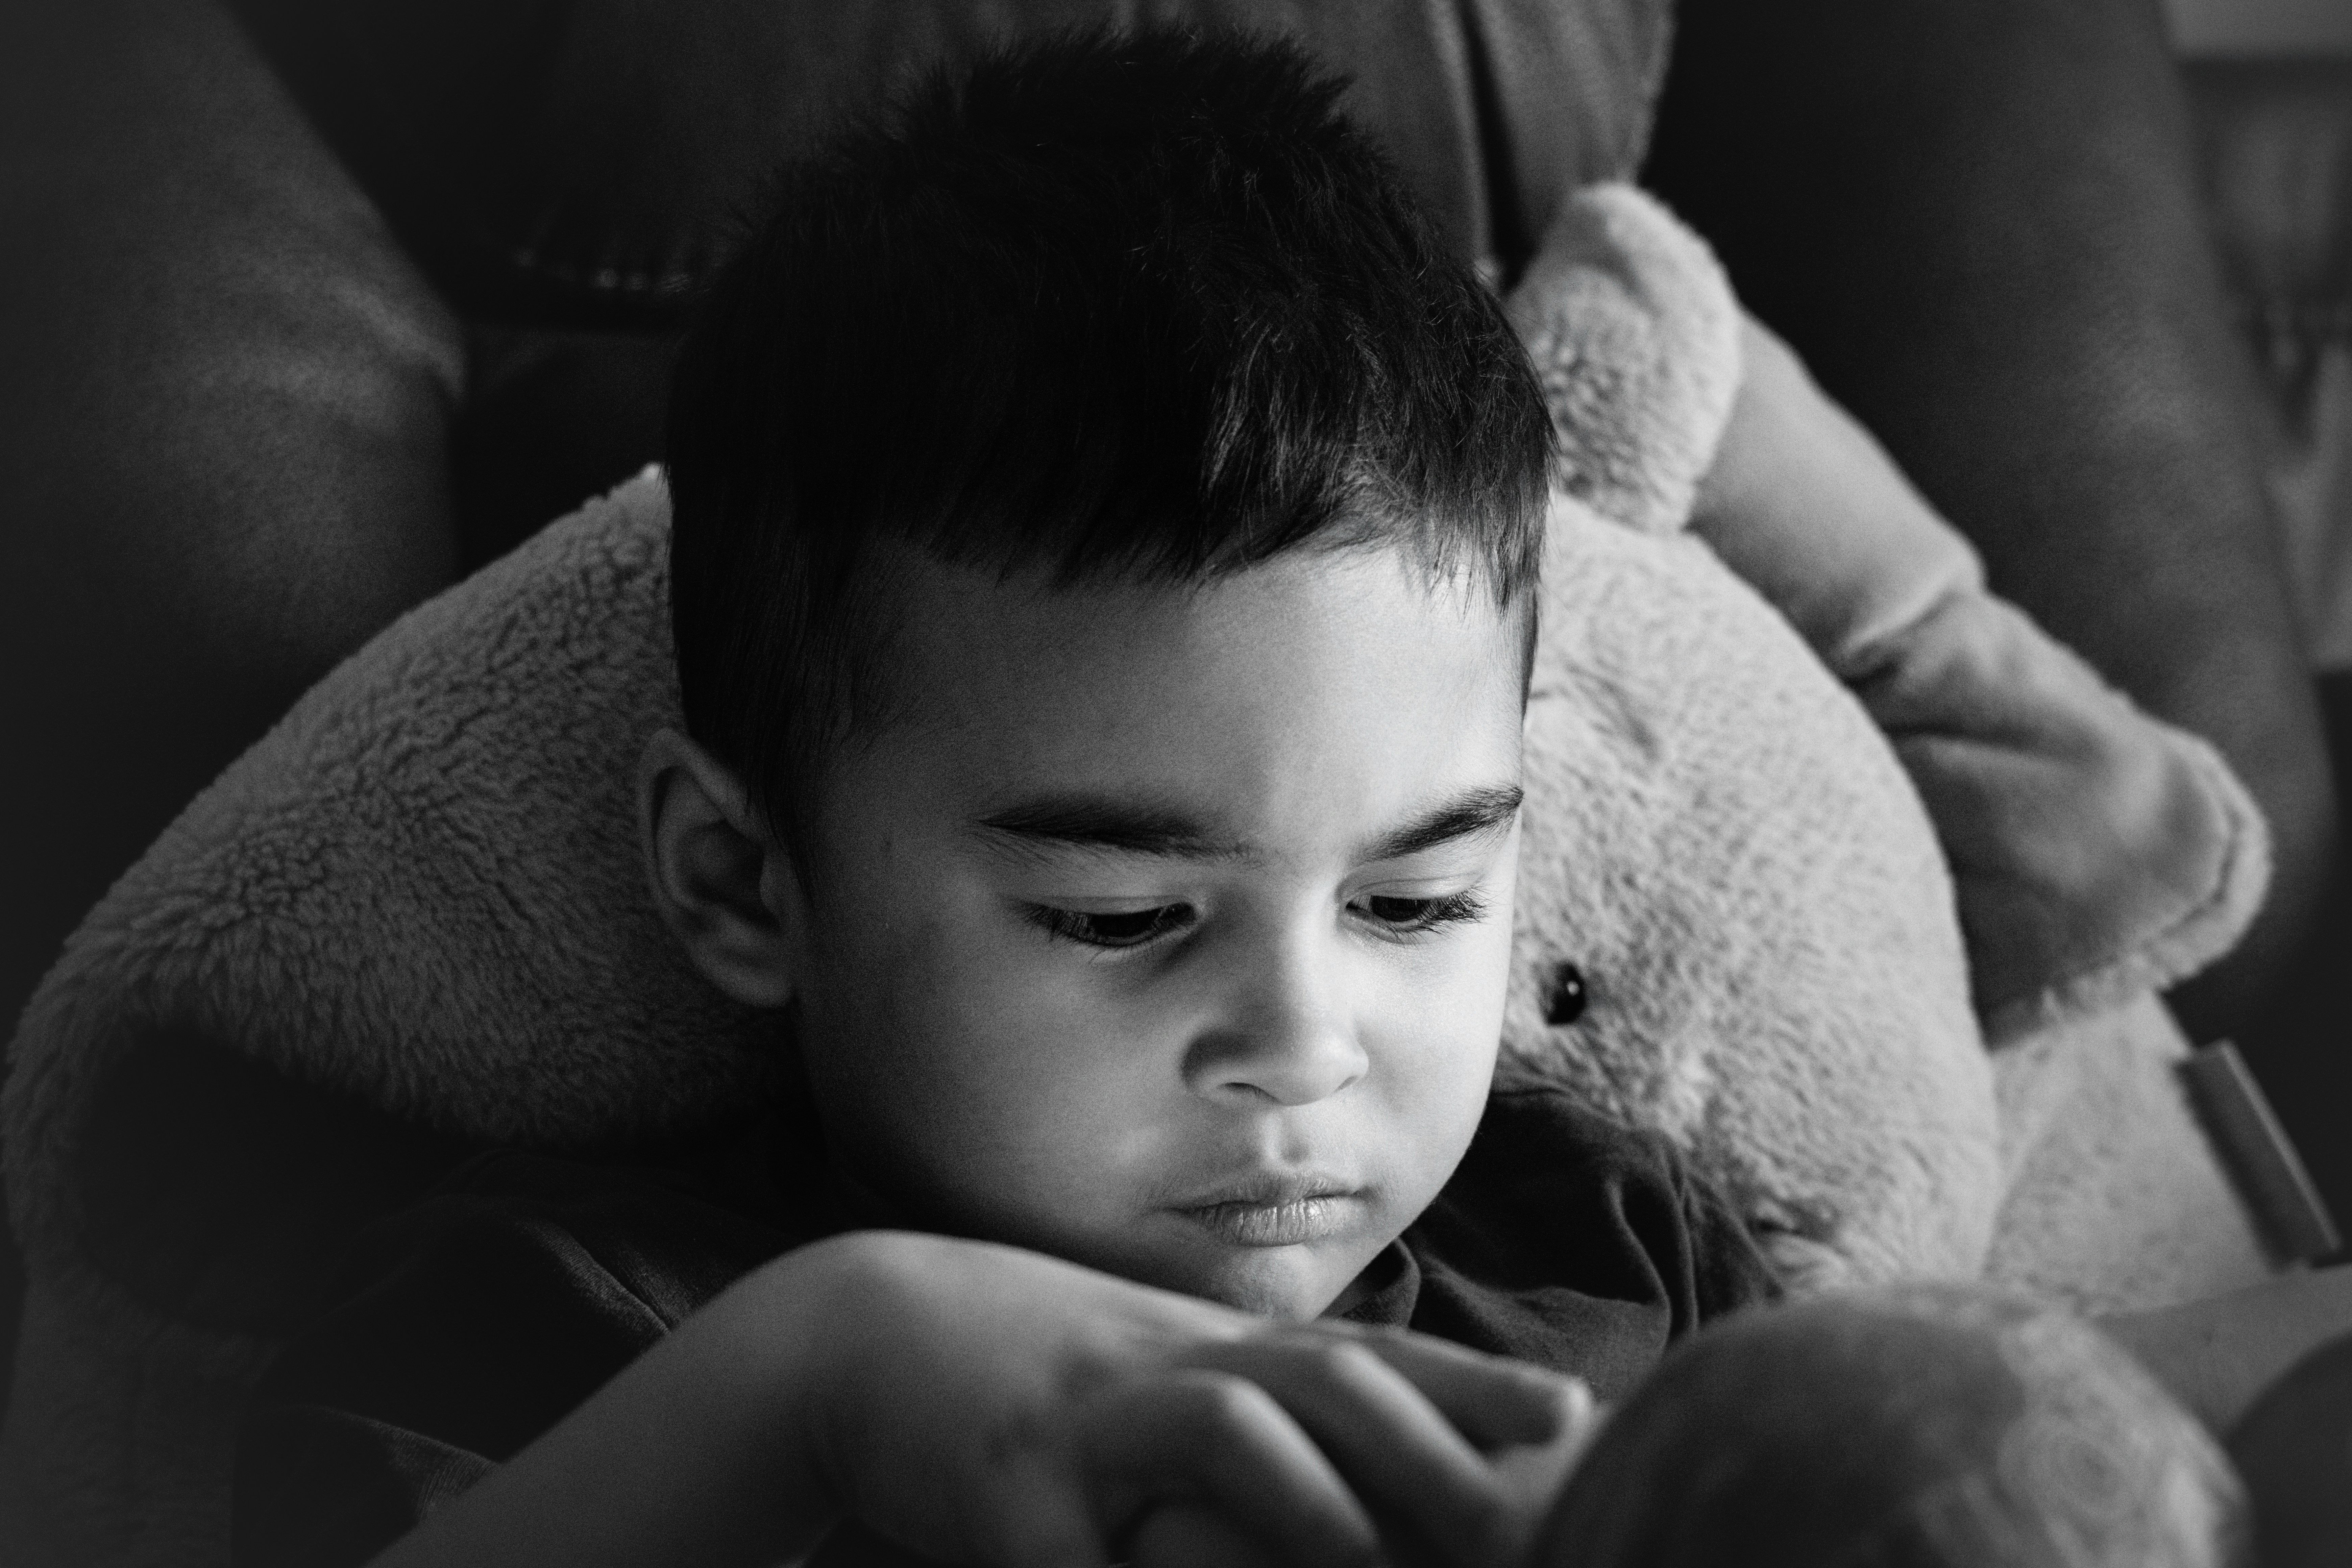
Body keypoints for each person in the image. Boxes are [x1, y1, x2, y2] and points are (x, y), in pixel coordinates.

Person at [227, 27, 1780, 1568]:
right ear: (738, 879)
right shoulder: (583, 1343)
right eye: (1124, 917)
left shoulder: (1607, 1256)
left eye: (1415, 900)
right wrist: (820, 1379)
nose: (1303, 1049)